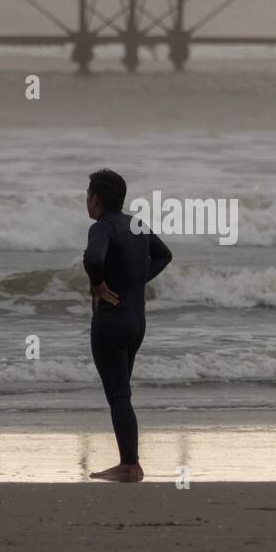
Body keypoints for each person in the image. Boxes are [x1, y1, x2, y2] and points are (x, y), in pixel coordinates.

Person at [82, 169, 172, 481]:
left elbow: (94, 259)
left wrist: (98, 283)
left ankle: (130, 465)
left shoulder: (102, 227)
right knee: (123, 393)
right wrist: (135, 280)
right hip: (136, 320)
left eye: (87, 195)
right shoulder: (135, 223)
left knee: (118, 395)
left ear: (95, 199)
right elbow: (164, 255)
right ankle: (128, 461)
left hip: (110, 322)